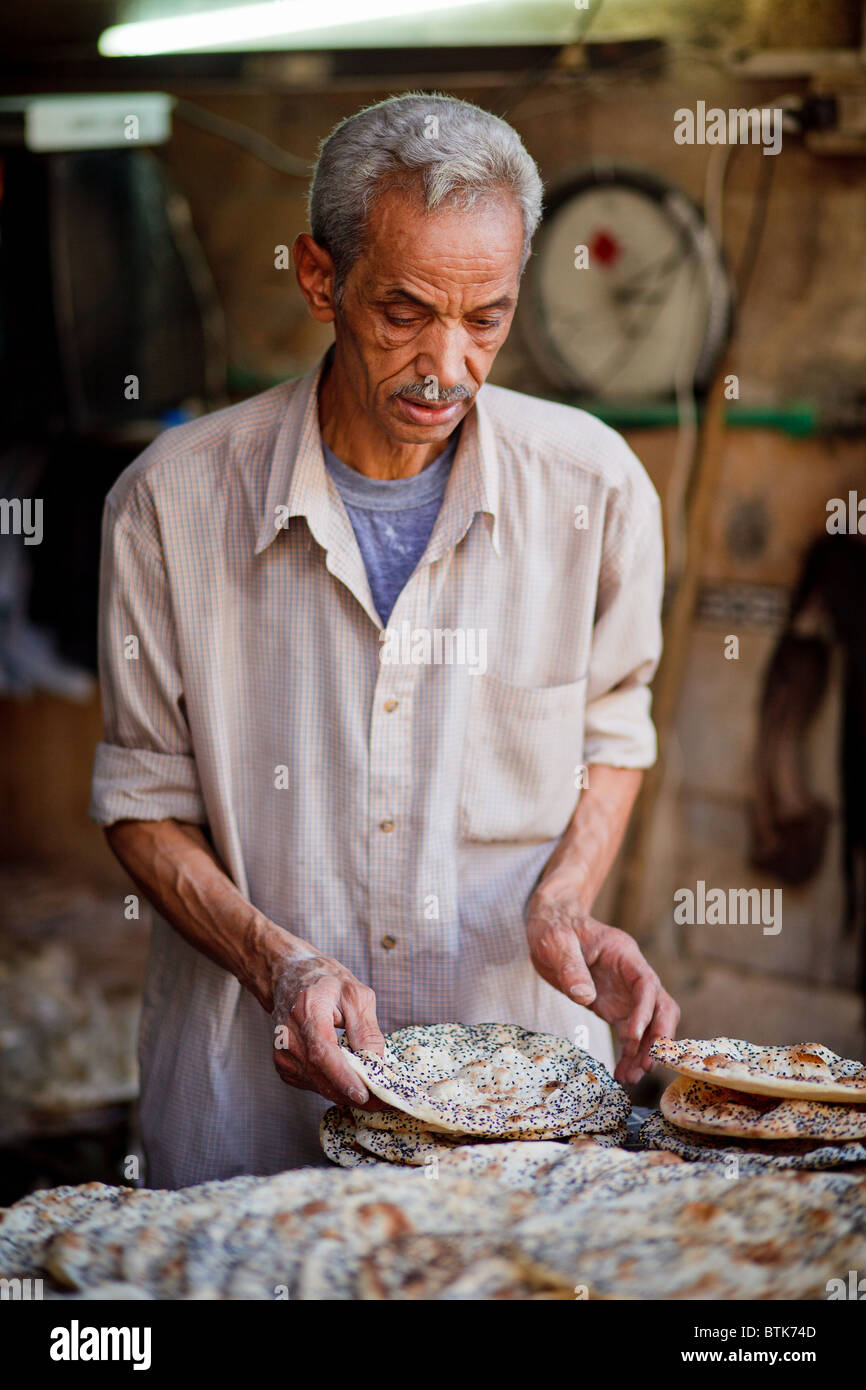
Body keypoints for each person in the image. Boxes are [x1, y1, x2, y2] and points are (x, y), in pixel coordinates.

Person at [90, 92, 678, 1188]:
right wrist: (280, 964)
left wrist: (563, 900)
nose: (448, 366)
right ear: (321, 278)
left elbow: (613, 731)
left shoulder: (593, 489)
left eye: (486, 318)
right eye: (405, 311)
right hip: (249, 1115)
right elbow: (142, 801)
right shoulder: (168, 506)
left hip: (517, 1106)